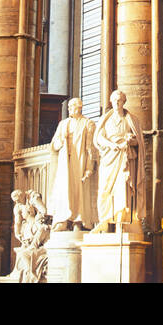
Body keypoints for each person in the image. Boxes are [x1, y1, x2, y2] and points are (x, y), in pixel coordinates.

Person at [91, 89, 146, 231]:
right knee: (105, 188)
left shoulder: (131, 120)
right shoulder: (106, 119)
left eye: (119, 100)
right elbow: (99, 137)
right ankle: (104, 221)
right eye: (114, 100)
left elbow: (138, 142)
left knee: (123, 189)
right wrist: (112, 145)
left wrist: (129, 141)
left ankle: (122, 222)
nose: (116, 102)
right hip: (109, 158)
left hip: (125, 158)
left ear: (123, 102)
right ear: (111, 101)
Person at [48, 97, 95, 230]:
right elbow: (54, 144)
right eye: (68, 107)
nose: (69, 109)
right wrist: (60, 143)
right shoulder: (63, 124)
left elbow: (90, 148)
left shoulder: (88, 124)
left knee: (78, 190)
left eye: (71, 107)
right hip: (65, 162)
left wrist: (89, 168)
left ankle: (78, 221)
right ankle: (64, 219)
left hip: (79, 160)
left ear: (79, 107)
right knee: (64, 190)